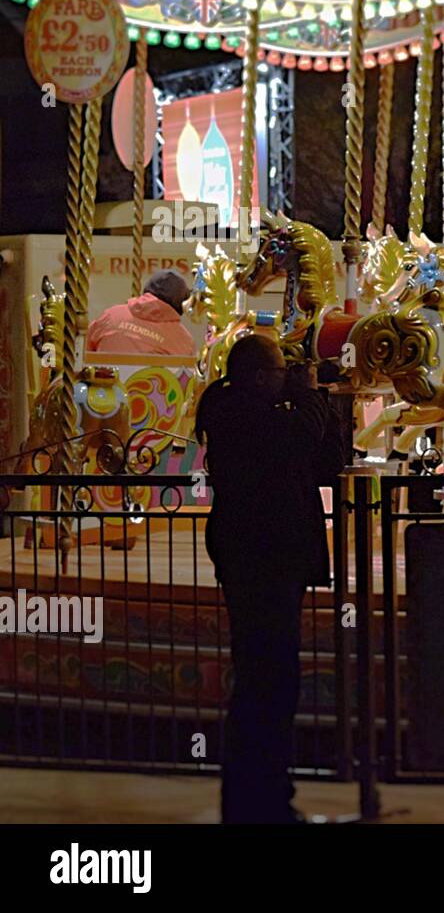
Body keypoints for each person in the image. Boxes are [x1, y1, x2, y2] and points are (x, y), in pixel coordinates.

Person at [194, 335, 347, 824]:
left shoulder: (269, 412)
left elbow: (327, 460)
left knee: (274, 679)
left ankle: (269, 795)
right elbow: (296, 438)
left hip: (274, 557)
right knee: (265, 679)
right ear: (259, 376)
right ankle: (254, 800)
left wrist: (322, 398)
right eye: (281, 371)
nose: (287, 378)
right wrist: (306, 397)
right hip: (258, 555)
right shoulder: (234, 411)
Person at [86, 270, 195, 355]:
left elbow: (83, 352)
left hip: (107, 383)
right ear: (180, 304)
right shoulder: (183, 340)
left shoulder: (111, 316)